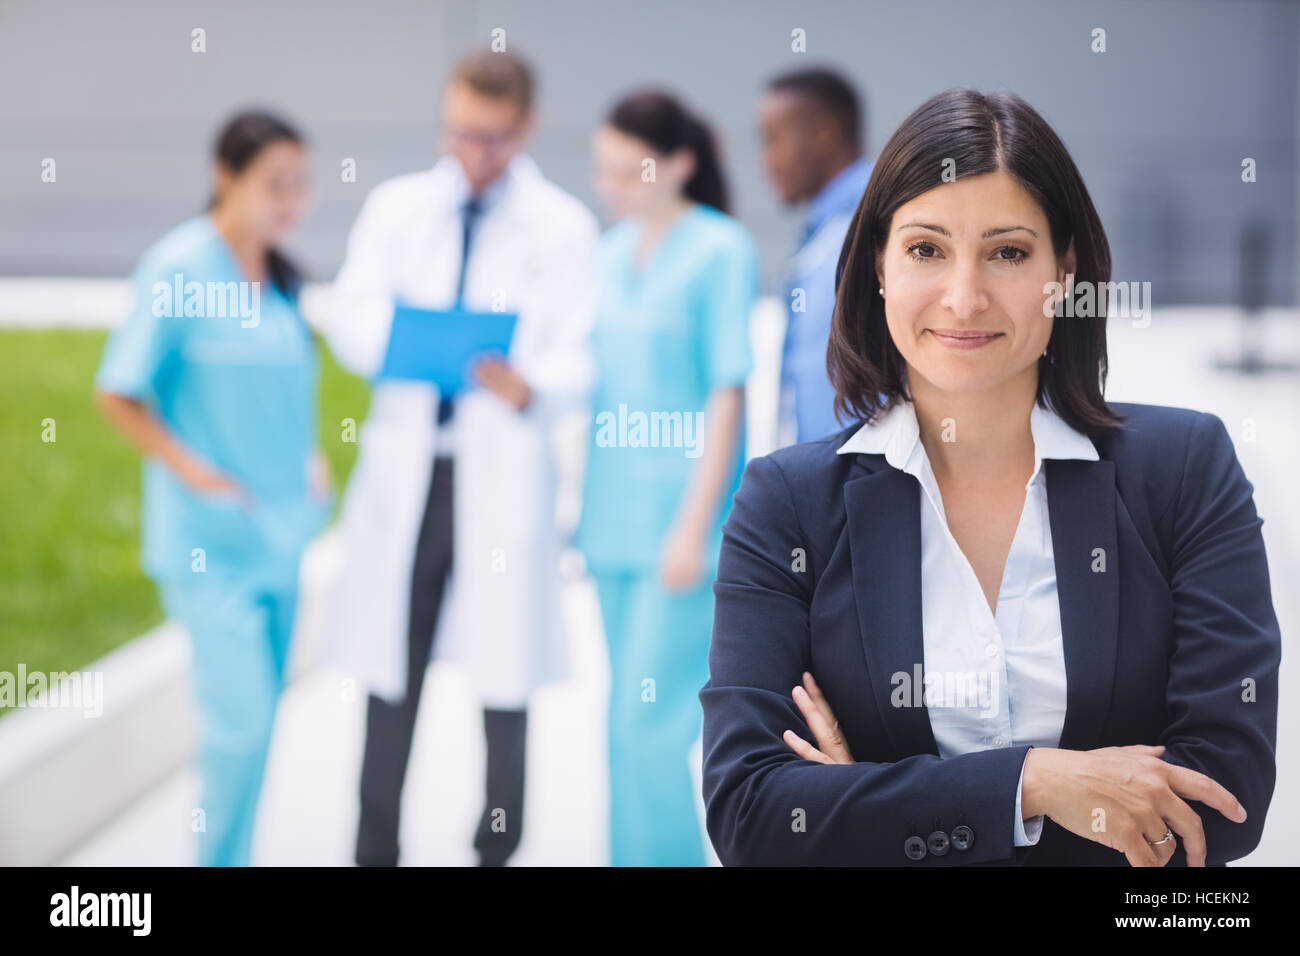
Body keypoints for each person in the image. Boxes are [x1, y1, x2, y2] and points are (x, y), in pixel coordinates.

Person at [700, 89, 1280, 867]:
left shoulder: (1182, 470)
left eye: (1007, 252)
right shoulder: (788, 504)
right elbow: (753, 815)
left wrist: (870, 810)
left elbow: (1224, 801)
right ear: (878, 263)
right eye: (925, 249)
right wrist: (1034, 783)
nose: (964, 297)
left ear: (1064, 270)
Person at [319, 50, 599, 867]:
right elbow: (351, 312)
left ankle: (496, 845)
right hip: (411, 472)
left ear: (525, 129)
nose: (472, 152)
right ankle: (375, 848)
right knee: (390, 671)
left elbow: (581, 358)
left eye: (491, 138)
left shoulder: (563, 227)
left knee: (502, 673)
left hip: (502, 472)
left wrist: (527, 386)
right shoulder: (399, 206)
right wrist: (399, 340)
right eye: (460, 133)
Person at [94, 110, 331, 866]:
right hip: (209, 546)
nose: (290, 200)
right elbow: (119, 391)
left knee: (261, 729)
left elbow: (279, 397)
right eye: (274, 184)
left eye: (300, 184)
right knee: (240, 727)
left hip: (282, 536)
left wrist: (311, 460)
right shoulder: (179, 268)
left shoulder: (281, 280)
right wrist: (197, 473)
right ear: (224, 178)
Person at [581, 90, 757, 866]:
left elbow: (726, 393)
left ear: (680, 164)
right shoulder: (607, 254)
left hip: (683, 529)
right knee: (619, 721)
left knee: (645, 729)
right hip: (608, 523)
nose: (613, 186)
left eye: (631, 170)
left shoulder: (720, 250)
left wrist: (696, 524)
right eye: (605, 170)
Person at [758, 67, 872, 446]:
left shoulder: (879, 222)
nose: (767, 161)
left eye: (774, 139)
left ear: (824, 134)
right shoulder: (825, 229)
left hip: (858, 480)